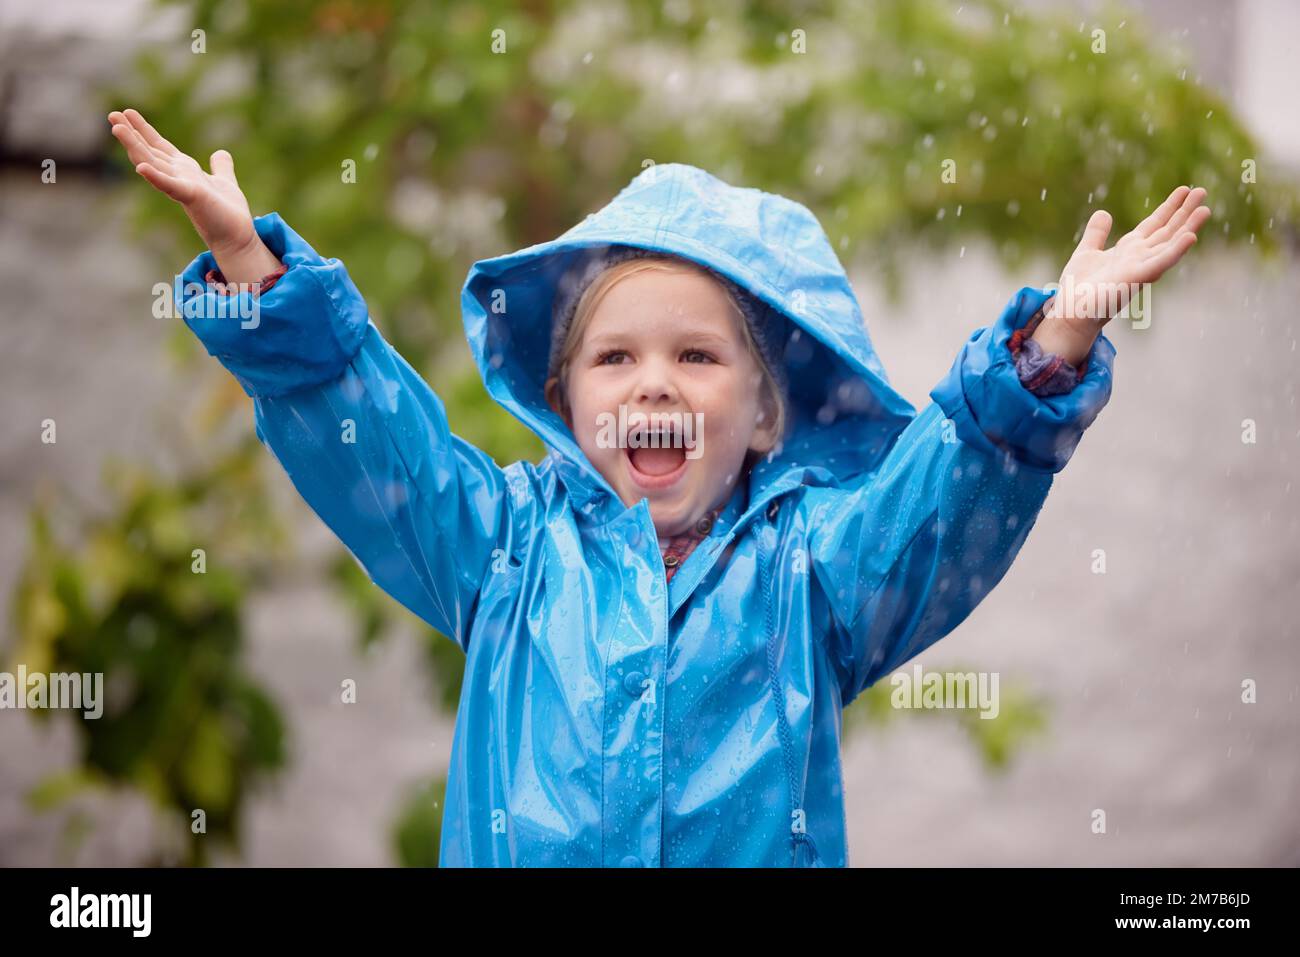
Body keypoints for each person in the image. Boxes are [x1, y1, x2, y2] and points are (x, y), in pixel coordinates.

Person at [107, 108, 1210, 866]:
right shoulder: (500, 549)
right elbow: (370, 442)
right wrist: (256, 279)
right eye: (615, 358)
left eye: (696, 357)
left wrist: (1053, 345)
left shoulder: (814, 577)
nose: (653, 384)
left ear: (765, 411)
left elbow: (941, 493)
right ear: (566, 398)